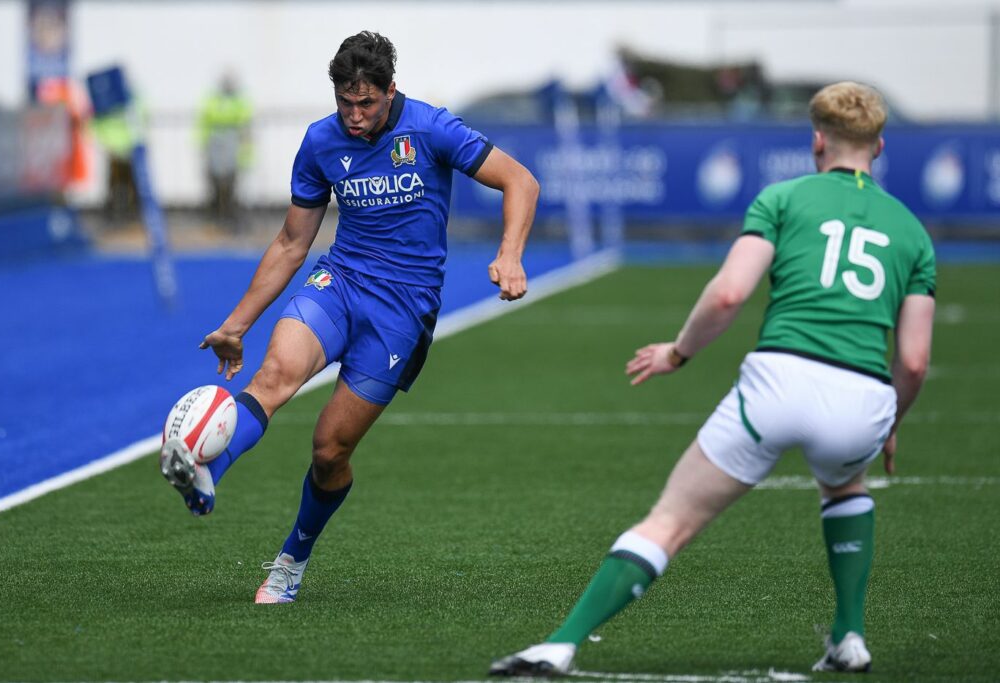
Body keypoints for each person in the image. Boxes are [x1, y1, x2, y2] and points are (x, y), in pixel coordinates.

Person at [489, 81, 935, 676]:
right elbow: (912, 361)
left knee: (671, 521)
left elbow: (728, 294)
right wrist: (891, 423)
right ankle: (850, 636)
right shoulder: (912, 232)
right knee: (846, 486)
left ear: (817, 140)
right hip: (863, 397)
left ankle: (561, 643)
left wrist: (678, 352)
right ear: (878, 146)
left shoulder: (784, 198)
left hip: (779, 379)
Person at [159, 31, 539, 604]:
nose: (355, 116)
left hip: (402, 311)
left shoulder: (432, 129)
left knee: (329, 449)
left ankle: (292, 559)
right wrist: (236, 324)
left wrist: (509, 254)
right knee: (273, 375)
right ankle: (206, 469)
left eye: (367, 103)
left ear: (391, 91)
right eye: (345, 102)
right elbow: (292, 242)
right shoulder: (320, 142)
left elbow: (521, 181)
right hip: (339, 282)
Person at [197, 72, 253, 224]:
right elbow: (205, 121)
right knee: (215, 182)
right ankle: (217, 214)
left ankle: (229, 214)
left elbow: (245, 124)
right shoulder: (213, 100)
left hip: (232, 147)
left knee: (231, 183)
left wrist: (245, 149)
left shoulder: (239, 100)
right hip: (215, 146)